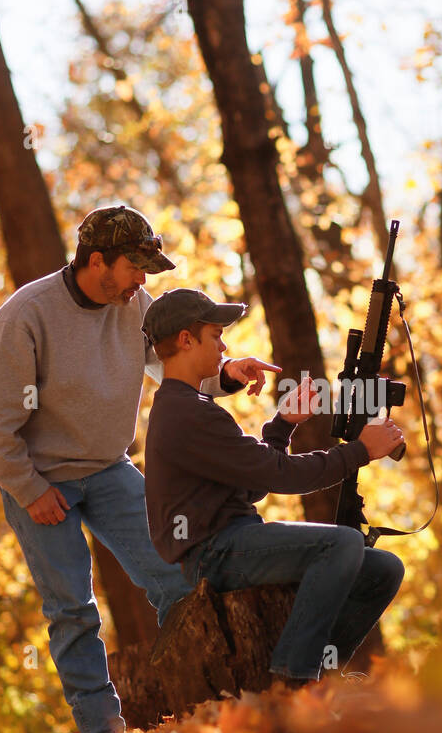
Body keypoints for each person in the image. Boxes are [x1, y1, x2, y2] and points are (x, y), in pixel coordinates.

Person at [0, 205, 278, 733]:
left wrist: (226, 374)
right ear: (96, 261)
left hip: (109, 467)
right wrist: (29, 489)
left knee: (178, 576)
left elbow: (173, 369)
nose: (143, 280)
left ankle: (204, 705)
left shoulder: (134, 303)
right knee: (72, 610)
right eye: (135, 267)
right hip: (40, 479)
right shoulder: (25, 317)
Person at [142, 288, 406, 685]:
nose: (224, 345)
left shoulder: (191, 409)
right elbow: (279, 476)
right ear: (185, 340)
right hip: (215, 553)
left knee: (383, 569)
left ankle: (321, 672)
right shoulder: (185, 413)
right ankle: (294, 679)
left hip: (235, 542)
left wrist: (282, 426)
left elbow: (252, 486)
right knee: (343, 543)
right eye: (215, 335)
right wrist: (360, 451)